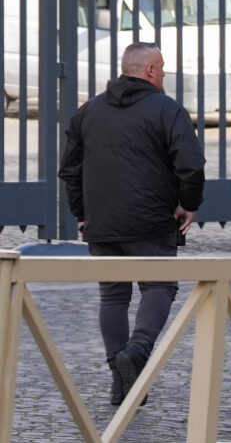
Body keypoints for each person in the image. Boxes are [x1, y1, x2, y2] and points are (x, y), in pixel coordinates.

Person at [58, 42, 205, 406]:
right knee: (160, 285)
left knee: (113, 294)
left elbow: (70, 171)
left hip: (102, 223)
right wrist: (188, 204)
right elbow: (191, 165)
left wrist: (82, 213)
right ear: (150, 71)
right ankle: (136, 352)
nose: (165, 73)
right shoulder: (167, 109)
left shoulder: (88, 111)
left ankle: (119, 382)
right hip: (152, 221)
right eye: (162, 67)